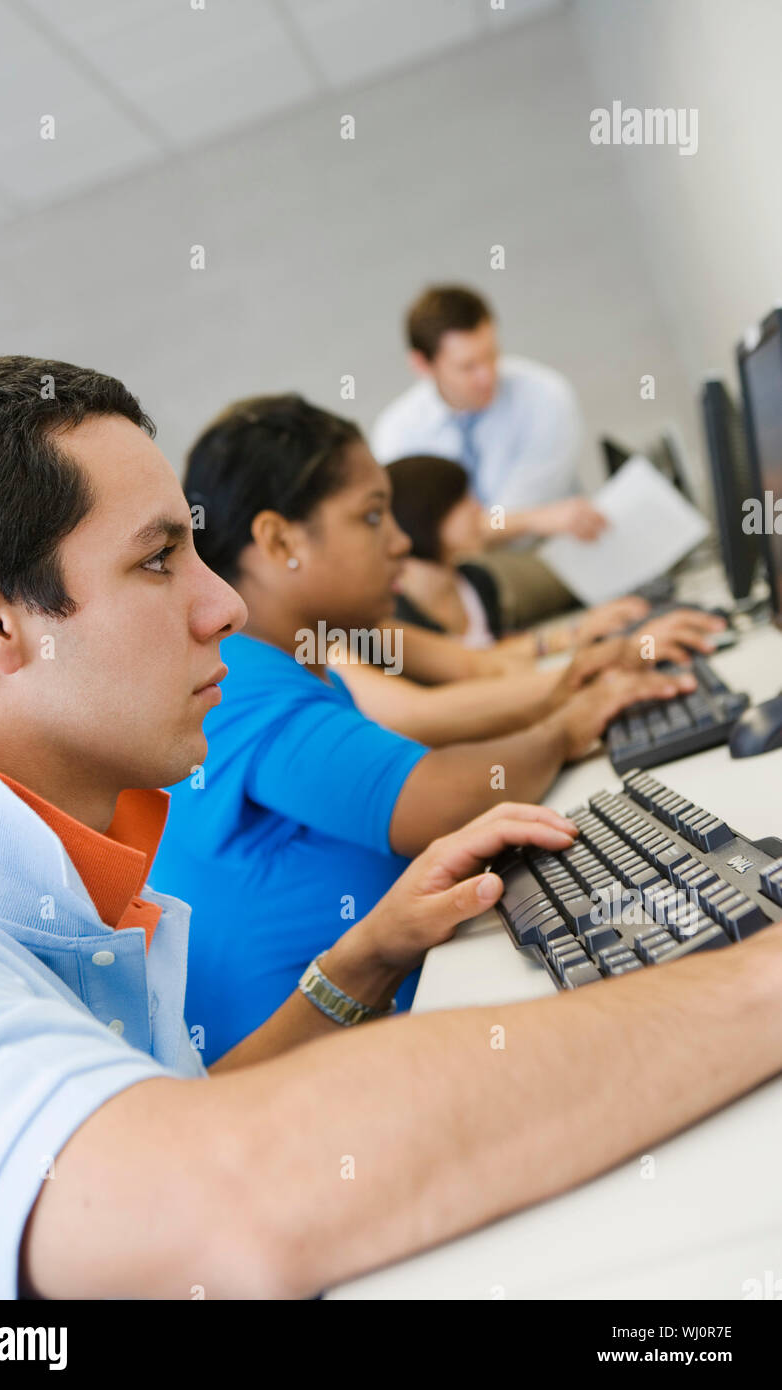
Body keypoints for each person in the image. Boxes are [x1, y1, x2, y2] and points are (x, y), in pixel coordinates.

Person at [0, 356, 778, 1305]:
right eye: (157, 559)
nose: (226, 607)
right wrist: (760, 979)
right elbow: (226, 1192)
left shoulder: (72, 861)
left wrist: (363, 958)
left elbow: (183, 1113)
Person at [157, 393, 715, 1058]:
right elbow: (437, 799)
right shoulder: (237, 684)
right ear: (280, 540)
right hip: (320, 1081)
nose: (398, 541)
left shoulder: (294, 666)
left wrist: (566, 703)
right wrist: (567, 728)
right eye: (371, 517)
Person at [370, 284, 606, 545]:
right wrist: (532, 518)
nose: (487, 376)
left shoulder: (545, 397)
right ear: (422, 365)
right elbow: (414, 535)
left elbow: (503, 521)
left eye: (491, 355)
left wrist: (517, 522)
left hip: (543, 552)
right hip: (461, 567)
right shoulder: (398, 430)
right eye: (468, 367)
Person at [385, 452, 650, 653]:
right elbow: (476, 665)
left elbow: (501, 649)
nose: (477, 508)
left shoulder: (477, 582)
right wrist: (575, 633)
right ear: (422, 518)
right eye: (461, 501)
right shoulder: (395, 617)